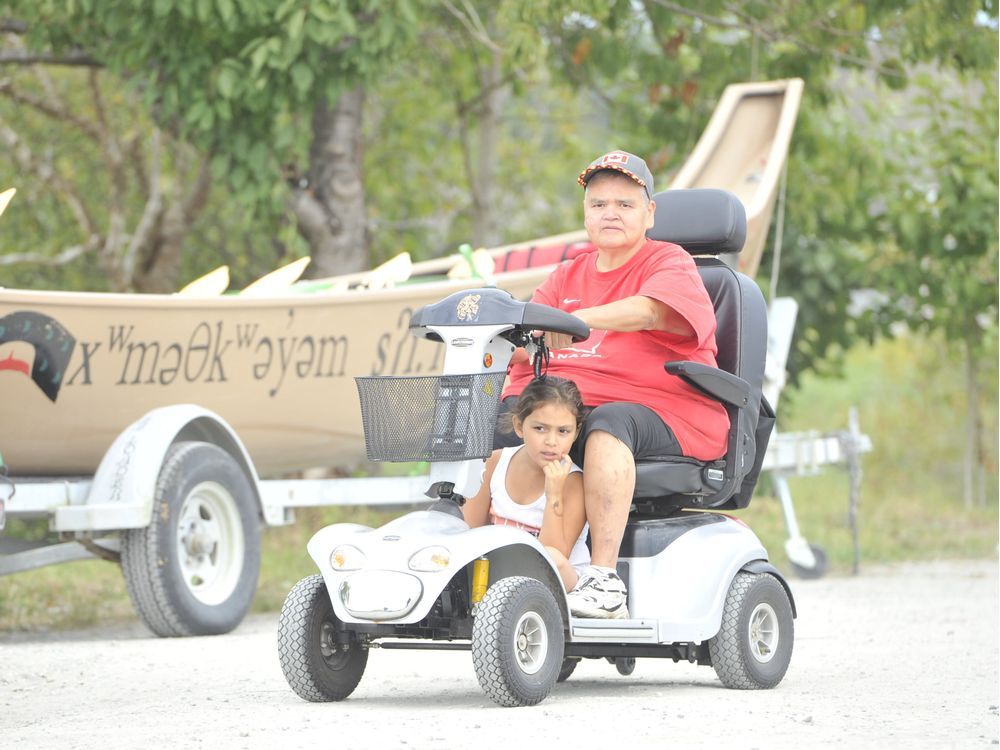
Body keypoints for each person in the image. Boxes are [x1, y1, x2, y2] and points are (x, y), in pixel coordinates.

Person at [497, 150, 730, 619]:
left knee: (606, 423)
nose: (610, 213)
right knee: (499, 425)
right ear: (585, 214)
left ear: (649, 213)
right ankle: (485, 550)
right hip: (569, 409)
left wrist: (574, 320)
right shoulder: (567, 273)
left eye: (624, 204)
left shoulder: (671, 261)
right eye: (599, 204)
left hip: (664, 410)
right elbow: (528, 340)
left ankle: (603, 580)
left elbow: (649, 311)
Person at [462, 376, 590, 592]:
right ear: (519, 426)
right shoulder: (493, 463)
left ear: (575, 433)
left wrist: (554, 493)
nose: (551, 441)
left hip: (555, 585)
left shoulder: (573, 482)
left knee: (553, 557)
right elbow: (471, 532)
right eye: (540, 428)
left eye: (563, 431)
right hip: (499, 573)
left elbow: (551, 561)